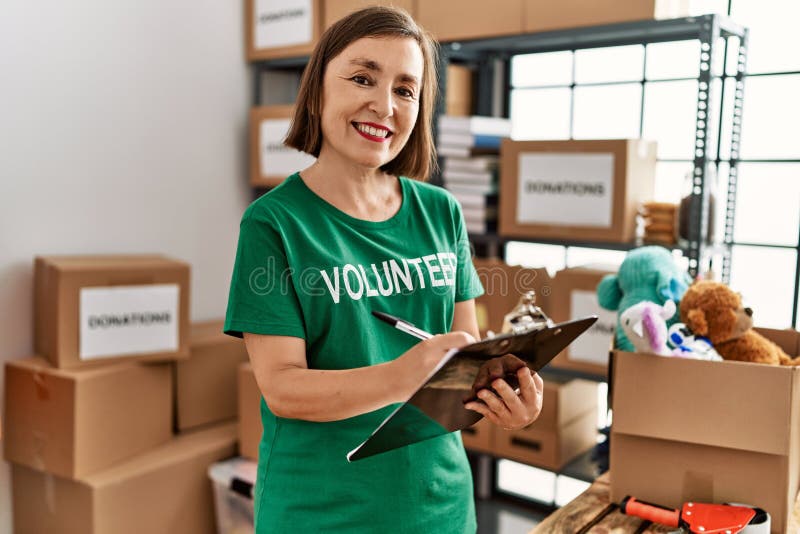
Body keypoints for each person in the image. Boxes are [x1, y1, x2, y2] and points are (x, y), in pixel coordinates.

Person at [224, 7, 544, 533]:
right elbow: (282, 388)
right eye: (362, 78)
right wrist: (403, 375)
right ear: (319, 88)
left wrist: (507, 397)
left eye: (405, 89)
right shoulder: (274, 224)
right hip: (323, 514)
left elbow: (465, 352)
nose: (384, 105)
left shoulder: (442, 212)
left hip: (440, 507)